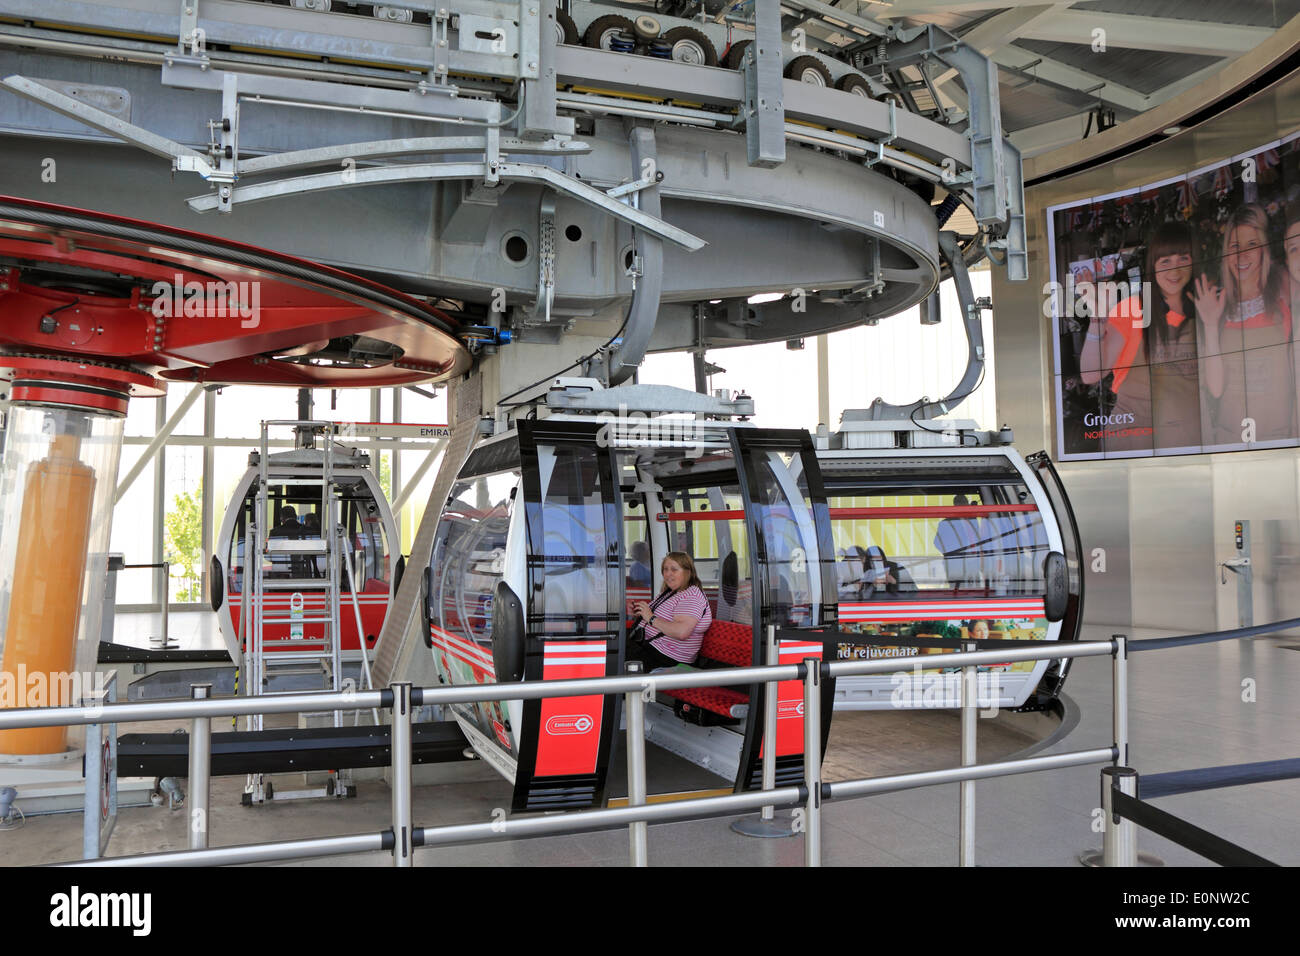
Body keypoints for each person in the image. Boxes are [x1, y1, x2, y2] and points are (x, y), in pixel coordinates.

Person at [1080, 221, 1222, 452]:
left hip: (1188, 441)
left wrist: (1212, 324)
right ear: (1153, 266)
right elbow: (1090, 374)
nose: (1174, 270)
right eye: (1165, 261)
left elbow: (1215, 389)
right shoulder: (1134, 308)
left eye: (1183, 259)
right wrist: (1097, 318)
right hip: (1133, 439)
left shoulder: (1205, 309)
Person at [1205, 203, 1293, 445]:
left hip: (1279, 441)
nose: (1241, 254)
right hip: (1230, 440)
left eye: (1252, 244)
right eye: (1235, 246)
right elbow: (1214, 389)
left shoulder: (1284, 288)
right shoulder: (1217, 304)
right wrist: (1211, 326)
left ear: (1264, 248)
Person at [628, 550, 712, 670]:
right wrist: (639, 612)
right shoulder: (670, 592)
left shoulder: (692, 595)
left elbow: (681, 632)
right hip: (648, 647)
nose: (668, 574)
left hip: (668, 659)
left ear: (687, 572)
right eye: (665, 569)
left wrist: (650, 617)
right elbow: (651, 617)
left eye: (674, 569)